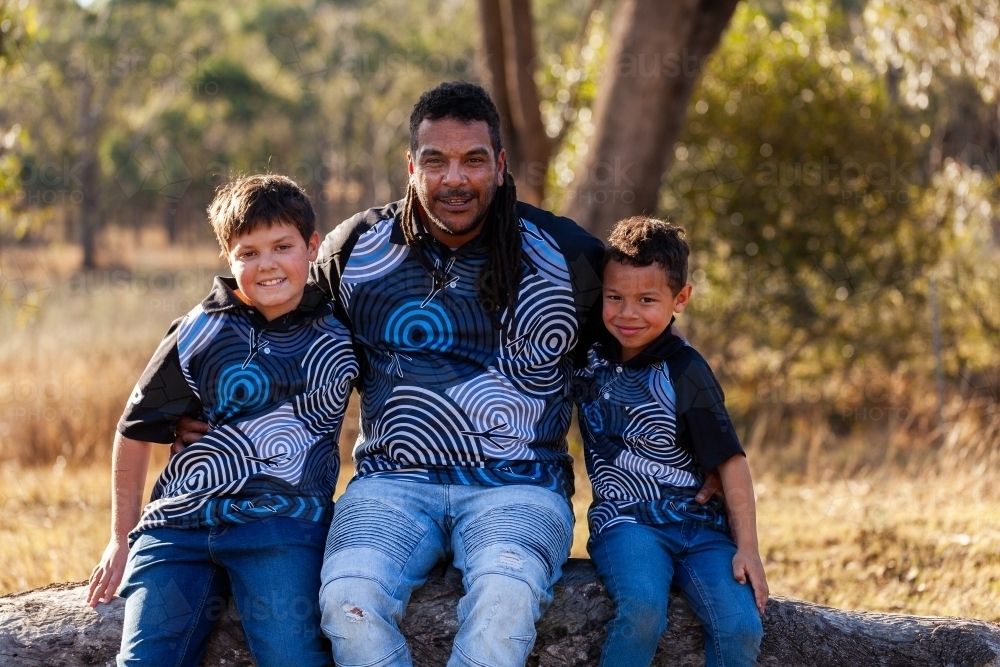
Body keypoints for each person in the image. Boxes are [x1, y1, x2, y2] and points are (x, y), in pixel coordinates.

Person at [87, 174, 358, 667]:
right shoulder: (199, 330)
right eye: (248, 252)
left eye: (282, 246)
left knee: (292, 657)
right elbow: (134, 431)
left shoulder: (342, 329)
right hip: (178, 527)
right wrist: (119, 538)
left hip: (282, 525)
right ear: (228, 258)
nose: (267, 264)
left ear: (313, 246)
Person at [572, 216, 767, 667]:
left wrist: (748, 548)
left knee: (740, 625)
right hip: (626, 523)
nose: (628, 313)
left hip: (702, 530)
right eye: (614, 297)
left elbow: (731, 460)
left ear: (680, 299)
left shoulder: (687, 371)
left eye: (647, 300)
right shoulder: (588, 355)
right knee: (642, 608)